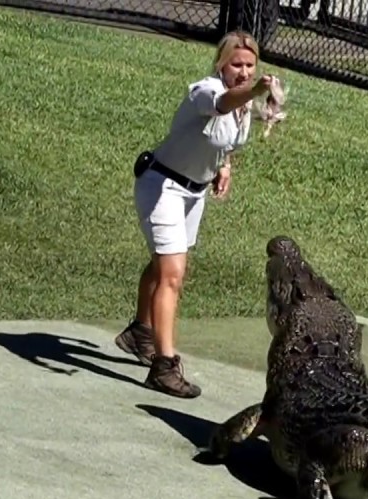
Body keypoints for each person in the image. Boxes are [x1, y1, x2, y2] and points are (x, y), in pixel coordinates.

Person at [114, 30, 277, 397]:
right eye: (236, 64)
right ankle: (164, 366)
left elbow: (224, 138)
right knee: (173, 274)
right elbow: (220, 105)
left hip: (193, 193)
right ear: (221, 63)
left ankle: (140, 331)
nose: (244, 71)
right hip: (163, 186)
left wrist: (224, 166)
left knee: (162, 265)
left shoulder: (243, 103)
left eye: (250, 65)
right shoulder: (206, 90)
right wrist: (252, 92)